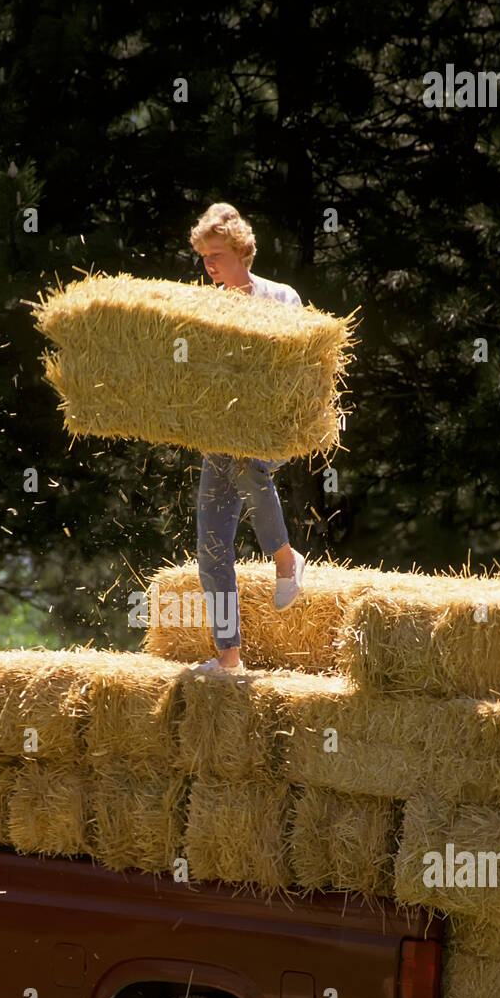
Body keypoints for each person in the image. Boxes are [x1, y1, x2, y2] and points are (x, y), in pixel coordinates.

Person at [188, 202, 306, 675]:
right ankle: (228, 659)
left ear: (241, 251)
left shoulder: (282, 299)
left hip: (272, 433)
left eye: (215, 254)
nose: (209, 265)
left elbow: (301, 370)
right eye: (202, 257)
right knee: (211, 547)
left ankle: (284, 558)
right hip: (223, 437)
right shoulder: (204, 309)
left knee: (245, 465)